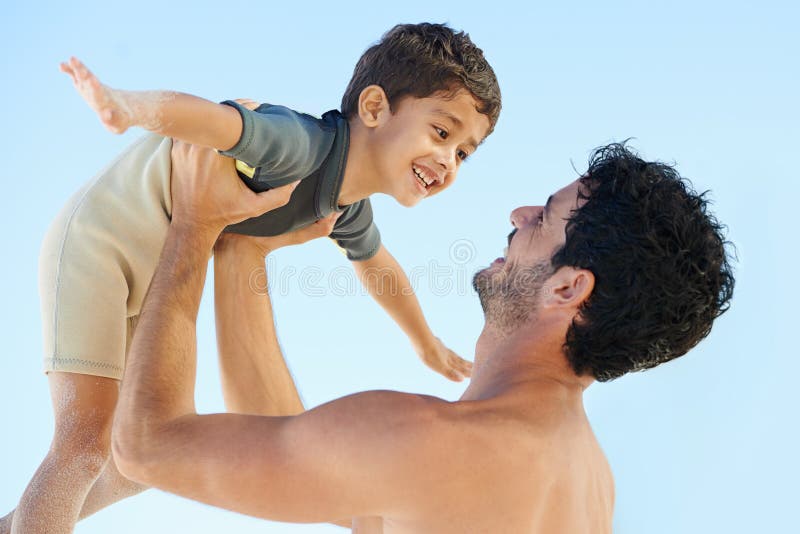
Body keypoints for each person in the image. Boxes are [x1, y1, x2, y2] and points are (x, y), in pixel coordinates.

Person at [0, 23, 501, 534]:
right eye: (442, 133)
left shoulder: (346, 207)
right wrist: (126, 108)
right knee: (83, 445)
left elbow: (378, 267)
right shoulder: (300, 144)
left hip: (148, 277)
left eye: (463, 152)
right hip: (99, 243)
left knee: (132, 470)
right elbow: (214, 121)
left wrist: (426, 344)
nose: (449, 161)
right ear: (374, 108)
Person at [112, 142, 735, 532]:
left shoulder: (434, 443)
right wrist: (241, 250)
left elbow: (145, 448)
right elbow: (290, 462)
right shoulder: (588, 485)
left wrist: (194, 223)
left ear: (568, 289)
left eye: (543, 218)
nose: (518, 215)